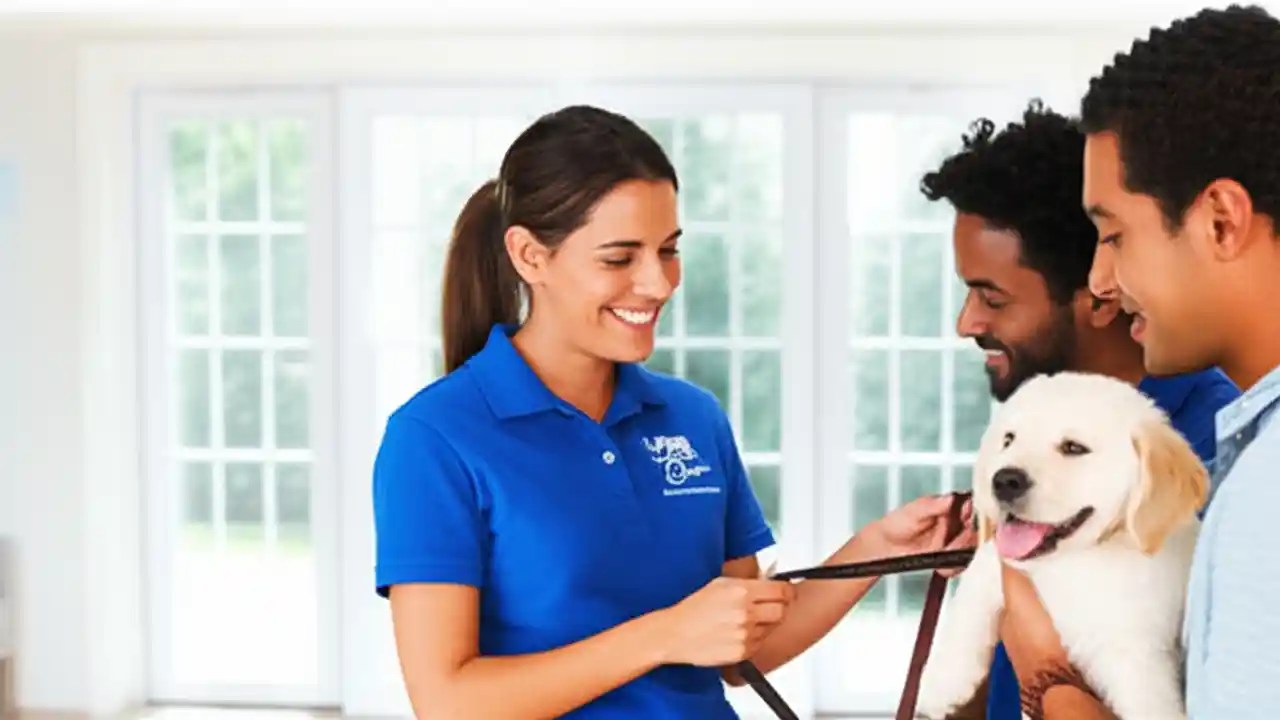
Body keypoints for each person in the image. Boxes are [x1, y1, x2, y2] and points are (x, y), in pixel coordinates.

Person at [371, 104, 976, 719]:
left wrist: (876, 548)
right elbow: (448, 701)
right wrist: (664, 633)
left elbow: (740, 651)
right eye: (619, 258)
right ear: (530, 256)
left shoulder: (692, 417)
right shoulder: (434, 439)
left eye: (668, 250)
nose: (658, 283)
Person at [995, 5, 1280, 718]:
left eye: (1114, 235)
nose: (1099, 280)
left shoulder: (1266, 491)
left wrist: (1049, 680)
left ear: (1221, 219)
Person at [919, 100, 1239, 719]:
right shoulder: (1032, 435)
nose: (967, 324)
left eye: (992, 298)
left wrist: (1037, 656)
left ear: (1099, 292)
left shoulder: (1214, 450)